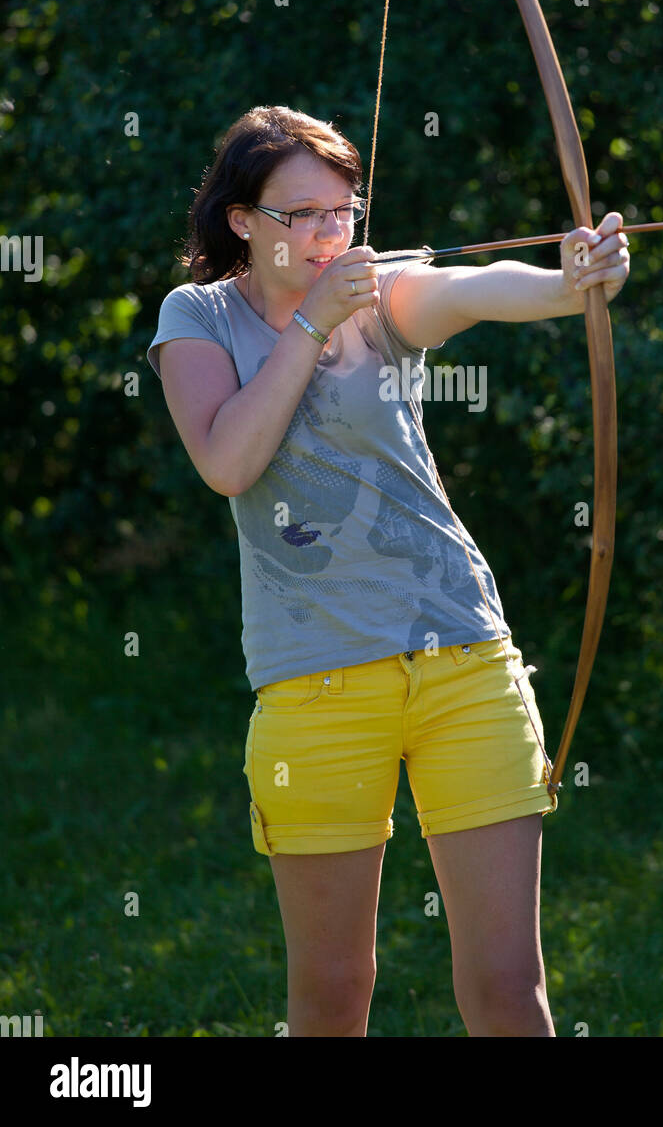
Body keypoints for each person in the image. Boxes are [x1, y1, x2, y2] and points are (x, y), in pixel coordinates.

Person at [146, 104, 630, 1037]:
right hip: (311, 687)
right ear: (242, 221)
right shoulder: (198, 317)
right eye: (303, 216)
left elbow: (474, 288)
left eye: (343, 212)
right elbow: (227, 463)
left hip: (463, 661)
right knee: (331, 998)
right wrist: (308, 328)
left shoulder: (380, 292)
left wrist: (573, 279)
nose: (331, 234)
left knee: (507, 988)